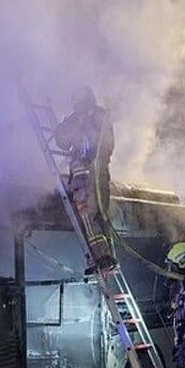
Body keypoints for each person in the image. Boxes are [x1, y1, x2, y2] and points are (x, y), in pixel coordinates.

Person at [53, 85, 116, 274]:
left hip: (85, 176)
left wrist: (60, 129)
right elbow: (108, 144)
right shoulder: (101, 115)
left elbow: (63, 142)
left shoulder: (81, 118)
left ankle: (102, 258)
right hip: (100, 174)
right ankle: (109, 257)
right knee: (101, 215)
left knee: (88, 216)